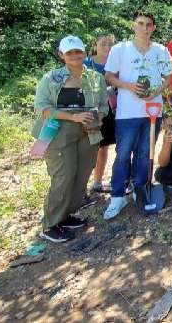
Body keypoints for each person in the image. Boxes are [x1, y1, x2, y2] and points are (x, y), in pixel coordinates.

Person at [33, 36, 108, 242]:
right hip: (59, 133)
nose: (75, 56)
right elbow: (42, 107)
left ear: (84, 52)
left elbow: (103, 105)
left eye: (78, 51)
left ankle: (65, 216)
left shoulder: (95, 78)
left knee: (81, 175)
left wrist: (98, 118)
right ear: (62, 55)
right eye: (70, 53)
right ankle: (50, 224)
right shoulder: (51, 78)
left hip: (88, 132)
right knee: (63, 176)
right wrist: (72, 117)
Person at [103, 11, 172, 220]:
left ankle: (140, 188)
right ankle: (117, 196)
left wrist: (157, 91)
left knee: (145, 153)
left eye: (149, 24)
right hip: (127, 112)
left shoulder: (160, 50)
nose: (145, 28)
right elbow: (109, 75)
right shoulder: (121, 49)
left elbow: (169, 76)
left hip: (153, 110)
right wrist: (127, 86)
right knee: (124, 154)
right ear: (133, 25)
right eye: (141, 23)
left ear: (153, 28)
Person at [84, 34, 116, 195]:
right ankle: (81, 185)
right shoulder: (86, 63)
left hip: (112, 109)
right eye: (103, 44)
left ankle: (97, 182)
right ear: (95, 45)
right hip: (90, 110)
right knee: (89, 148)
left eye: (110, 44)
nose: (107, 47)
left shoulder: (116, 62)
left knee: (104, 146)